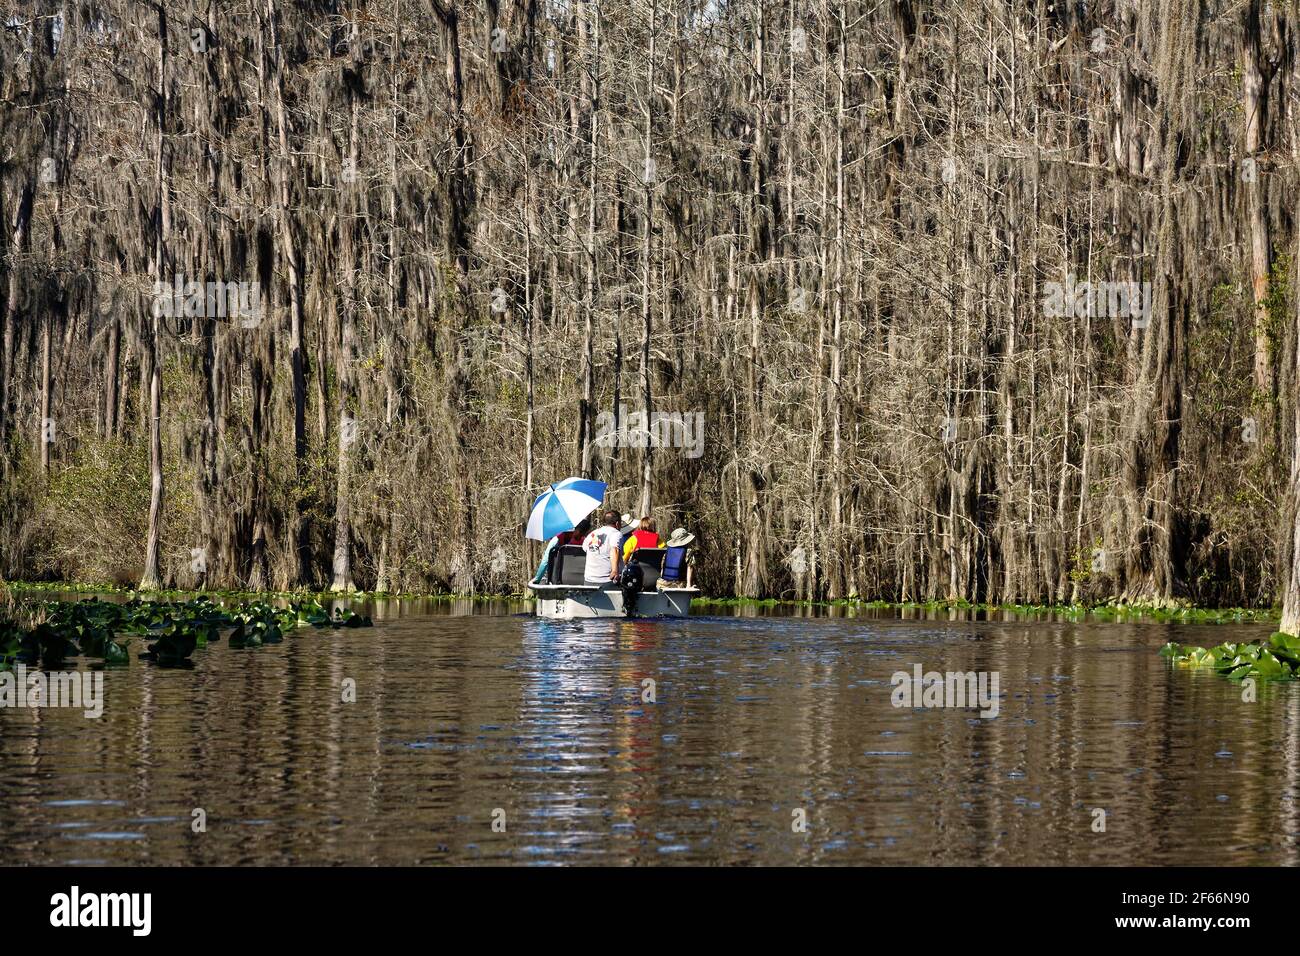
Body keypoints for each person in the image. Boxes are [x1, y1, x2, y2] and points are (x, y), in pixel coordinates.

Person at [531, 518, 591, 584]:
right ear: (576, 529)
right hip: (559, 573)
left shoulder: (583, 541)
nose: (581, 536)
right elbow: (546, 560)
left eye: (584, 534)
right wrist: (537, 579)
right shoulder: (558, 538)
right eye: (581, 533)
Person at [583, 510, 623, 584]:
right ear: (617, 524)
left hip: (589, 579)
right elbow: (614, 549)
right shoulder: (616, 533)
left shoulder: (592, 533)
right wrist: (615, 571)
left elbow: (585, 548)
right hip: (607, 580)